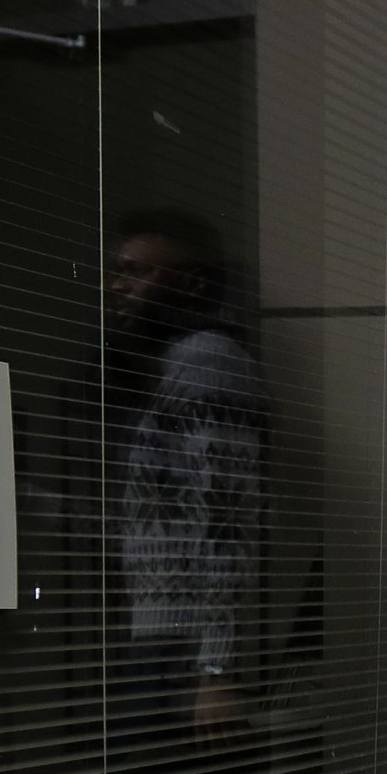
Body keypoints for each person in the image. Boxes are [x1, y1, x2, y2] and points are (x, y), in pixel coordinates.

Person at [107, 209, 264, 742]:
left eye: (135, 270)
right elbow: (156, 515)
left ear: (190, 283)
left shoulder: (207, 360)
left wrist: (215, 669)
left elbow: (226, 517)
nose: (117, 284)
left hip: (183, 653)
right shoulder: (174, 363)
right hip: (160, 643)